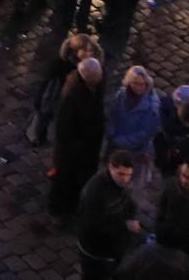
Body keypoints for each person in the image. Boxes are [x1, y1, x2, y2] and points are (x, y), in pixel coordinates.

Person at [47, 57, 106, 216]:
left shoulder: (96, 87)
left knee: (82, 180)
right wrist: (77, 148)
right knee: (65, 182)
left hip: (89, 148)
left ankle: (75, 206)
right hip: (73, 152)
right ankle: (59, 212)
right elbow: (64, 130)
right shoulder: (73, 97)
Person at [76, 147, 144, 280]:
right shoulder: (94, 191)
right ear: (110, 167)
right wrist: (126, 226)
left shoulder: (120, 184)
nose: (125, 179)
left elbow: (128, 202)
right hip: (96, 251)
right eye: (121, 174)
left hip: (113, 248)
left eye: (129, 175)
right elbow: (94, 226)